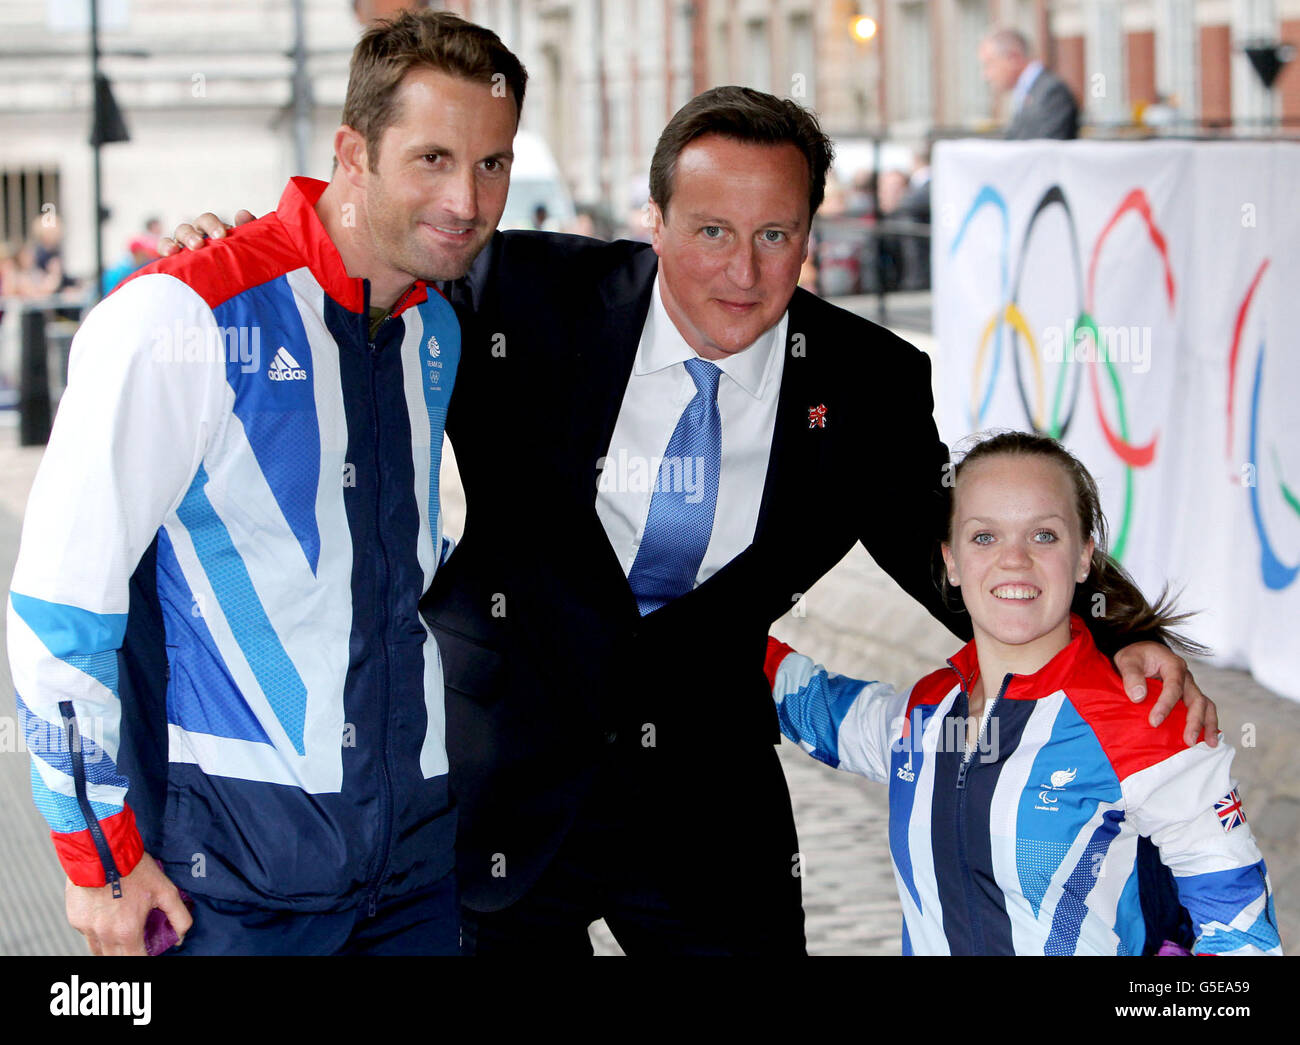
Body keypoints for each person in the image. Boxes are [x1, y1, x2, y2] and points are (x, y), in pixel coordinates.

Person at [167, 87, 1216, 956]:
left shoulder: (864, 381)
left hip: (706, 805)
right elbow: (360, 272)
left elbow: (967, 557)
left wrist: (1122, 643)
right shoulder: (521, 296)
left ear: (813, 229)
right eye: (710, 232)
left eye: (776, 236)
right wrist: (233, 255)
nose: (743, 273)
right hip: (501, 784)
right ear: (654, 220)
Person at [7, 9, 523, 955]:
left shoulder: (432, 331)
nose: (467, 198)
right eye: (434, 158)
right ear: (352, 153)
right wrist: (101, 865)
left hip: (413, 869)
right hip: (236, 884)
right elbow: (58, 612)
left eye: (493, 164)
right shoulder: (182, 315)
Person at [766, 431, 1282, 955]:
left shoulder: (1152, 721)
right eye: (984, 537)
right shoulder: (924, 712)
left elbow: (1245, 939)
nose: (1014, 560)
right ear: (951, 561)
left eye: (1043, 536)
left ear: (1084, 558)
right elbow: (805, 702)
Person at [978, 27, 1080, 140]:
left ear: (1013, 58)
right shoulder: (1028, 91)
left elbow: (1050, 148)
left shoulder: (1052, 93)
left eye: (989, 64)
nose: (985, 76)